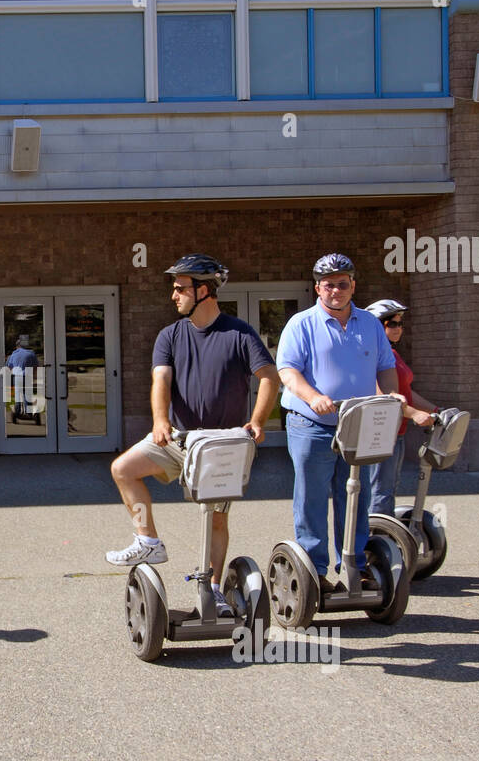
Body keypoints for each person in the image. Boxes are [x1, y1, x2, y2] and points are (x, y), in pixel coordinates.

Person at [107, 254, 280, 617]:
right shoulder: (170, 335)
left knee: (216, 518)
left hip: (221, 444)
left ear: (204, 291)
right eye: (175, 288)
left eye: (180, 288)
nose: (174, 295)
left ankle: (215, 590)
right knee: (124, 469)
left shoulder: (239, 333)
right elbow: (162, 380)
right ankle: (148, 540)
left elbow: (268, 377)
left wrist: (258, 421)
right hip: (179, 440)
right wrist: (159, 419)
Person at [275, 253, 404, 593]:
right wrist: (312, 396)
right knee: (312, 497)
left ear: (353, 286)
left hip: (356, 422)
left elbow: (385, 366)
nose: (336, 290)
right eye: (329, 284)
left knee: (355, 496)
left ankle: (354, 563)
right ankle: (314, 572)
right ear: (317, 288)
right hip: (311, 423)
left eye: (342, 284)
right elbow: (287, 370)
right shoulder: (301, 324)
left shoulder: (370, 324)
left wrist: (391, 396)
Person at [363, 300, 438, 515]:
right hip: (381, 432)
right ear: (378, 326)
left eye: (400, 324)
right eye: (392, 324)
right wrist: (415, 414)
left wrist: (435, 409)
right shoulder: (373, 355)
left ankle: (383, 535)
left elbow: (406, 392)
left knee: (389, 488)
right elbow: (382, 396)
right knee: (379, 491)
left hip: (398, 431)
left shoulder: (392, 354)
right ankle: (373, 541)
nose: (398, 328)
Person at [6, 335, 41, 421]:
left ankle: (17, 412)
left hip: (17, 377)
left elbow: (9, 367)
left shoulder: (13, 355)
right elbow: (36, 366)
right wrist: (34, 375)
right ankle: (29, 413)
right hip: (28, 376)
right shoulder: (31, 353)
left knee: (18, 395)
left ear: (17, 346)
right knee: (27, 395)